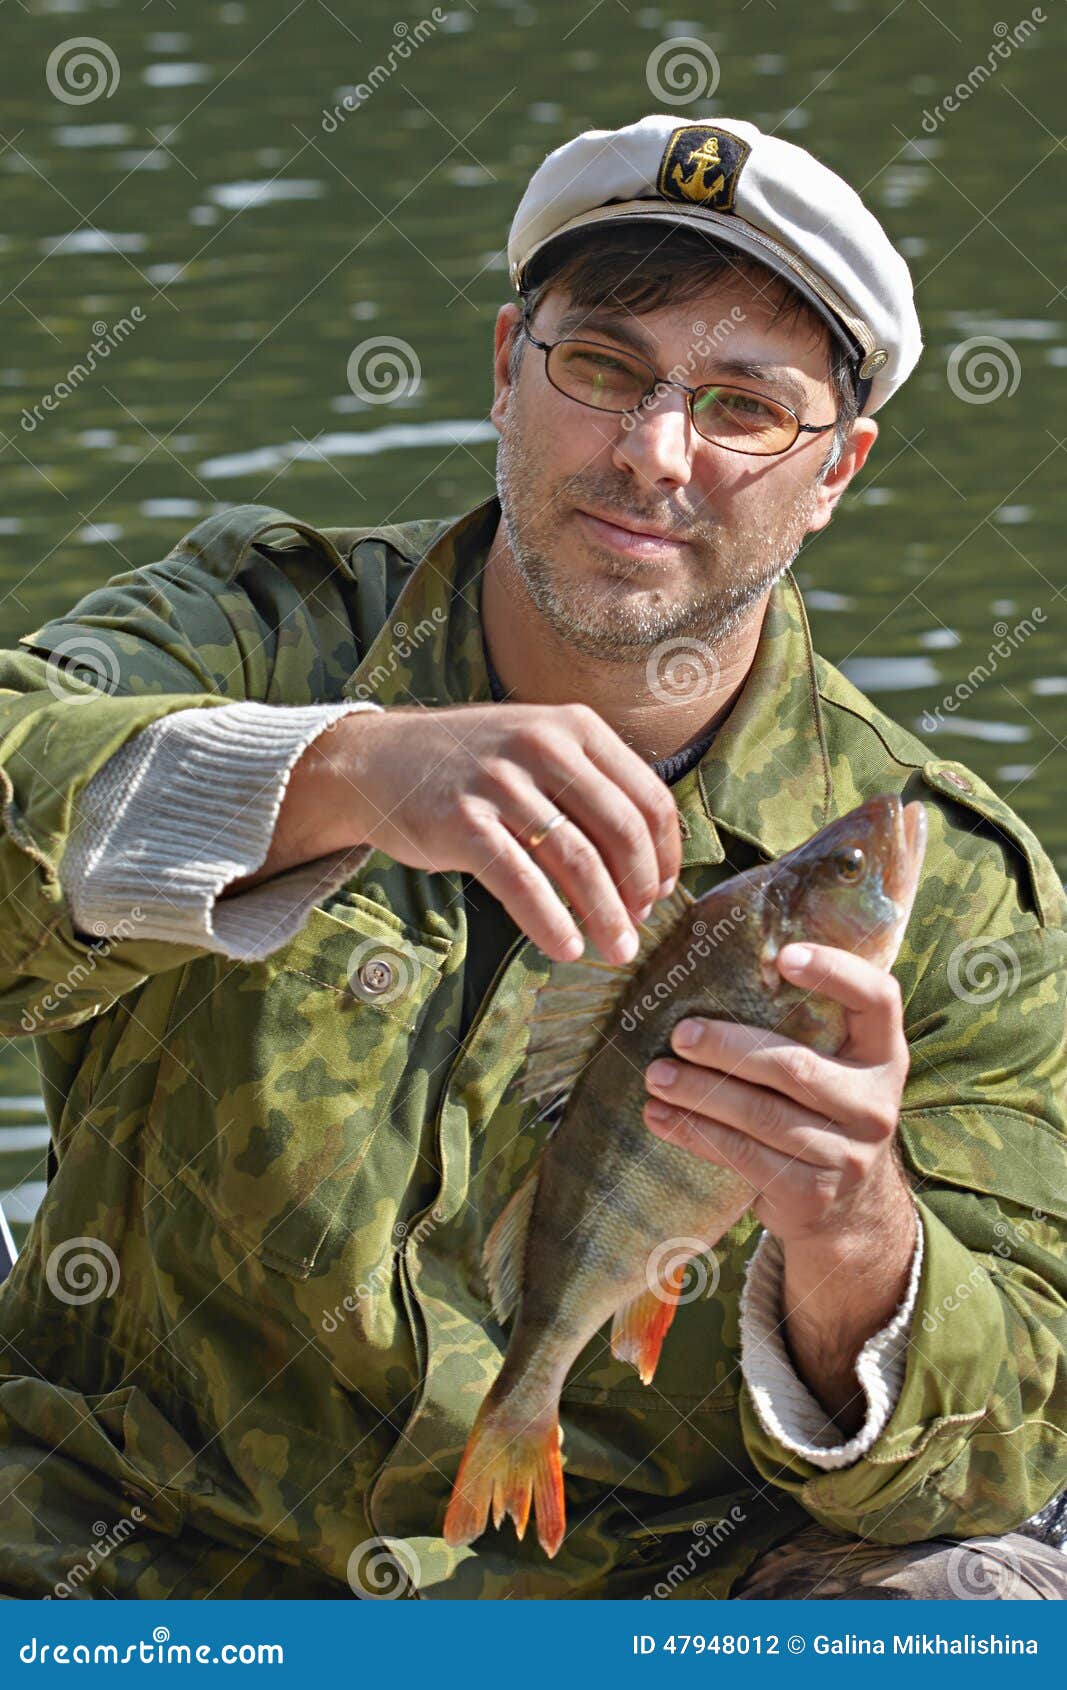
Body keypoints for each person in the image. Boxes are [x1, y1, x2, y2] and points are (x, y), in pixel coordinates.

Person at [0, 114, 1064, 1602]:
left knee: (981, 1608)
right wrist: (334, 769)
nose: (653, 451)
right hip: (124, 1569)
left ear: (838, 471)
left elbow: (1012, 1432)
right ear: (510, 364)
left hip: (624, 1611)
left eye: (746, 407)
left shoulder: (946, 892)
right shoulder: (259, 638)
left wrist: (850, 1231)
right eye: (605, 368)